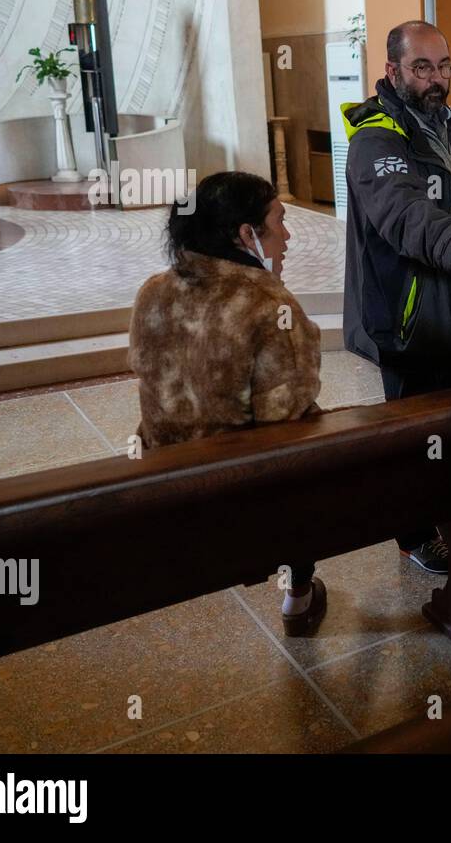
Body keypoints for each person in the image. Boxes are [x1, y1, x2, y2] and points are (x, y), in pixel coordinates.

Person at [342, 20, 451, 575]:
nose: (437, 78)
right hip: (405, 312)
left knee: (448, 424)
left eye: (444, 66)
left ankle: (446, 514)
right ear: (391, 71)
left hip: (443, 307)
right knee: (416, 435)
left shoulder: (438, 123)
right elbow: (406, 215)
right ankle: (415, 533)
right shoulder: (378, 138)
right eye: (422, 67)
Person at [128, 171, 327, 636]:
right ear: (245, 234)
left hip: (165, 483)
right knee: (316, 450)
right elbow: (287, 420)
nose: (288, 236)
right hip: (244, 498)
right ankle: (298, 592)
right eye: (279, 221)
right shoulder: (268, 303)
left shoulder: (153, 291)